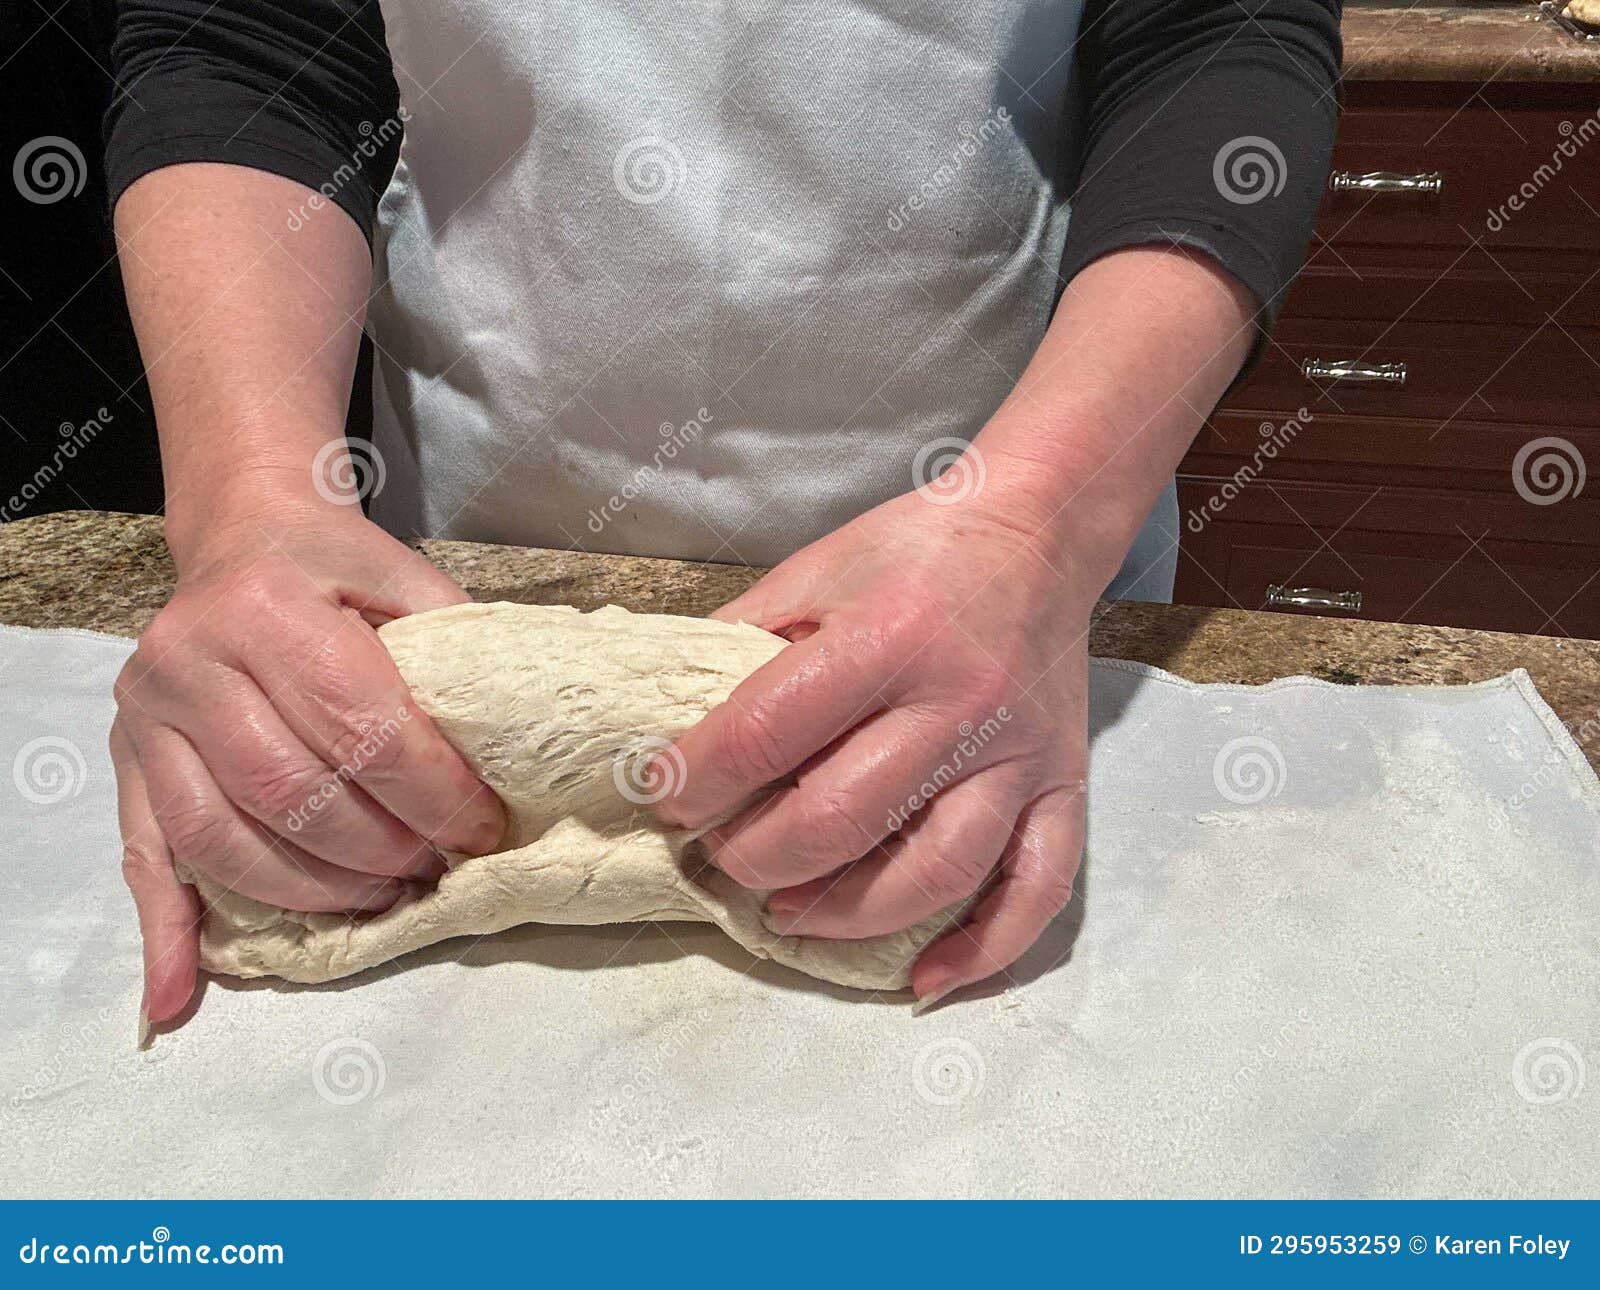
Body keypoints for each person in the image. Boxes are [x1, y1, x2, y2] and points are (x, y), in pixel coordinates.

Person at [104, 0, 1342, 1024]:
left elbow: (1219, 37)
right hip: (460, 546)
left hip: (1015, 534)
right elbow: (240, 45)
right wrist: (250, 510)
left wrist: (1032, 529)